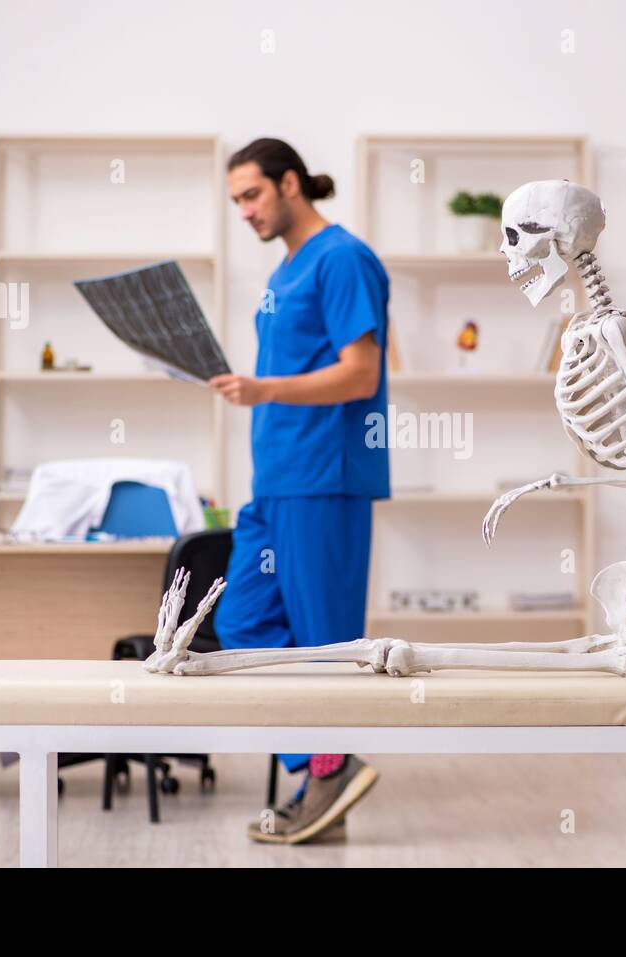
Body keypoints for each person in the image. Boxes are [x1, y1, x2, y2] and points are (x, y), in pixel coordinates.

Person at [209, 138, 389, 845]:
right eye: (235, 202)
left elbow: (361, 373)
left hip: (324, 479)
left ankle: (324, 772)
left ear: (290, 184)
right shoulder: (286, 271)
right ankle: (324, 760)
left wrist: (262, 389)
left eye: (252, 195)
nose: (245, 211)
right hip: (276, 481)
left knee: (323, 645)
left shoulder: (342, 258)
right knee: (242, 624)